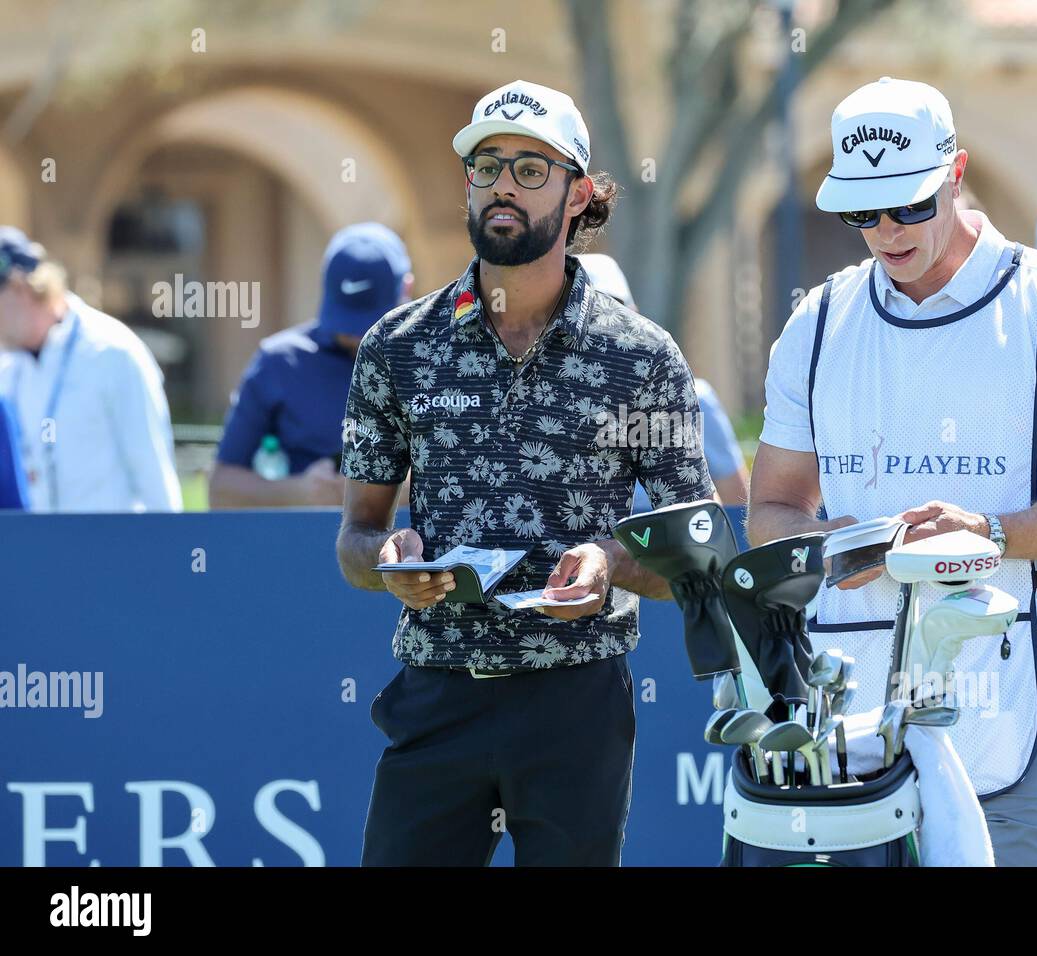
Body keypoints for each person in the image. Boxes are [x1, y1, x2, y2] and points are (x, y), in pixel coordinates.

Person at [748, 77, 1037, 866]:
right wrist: (835, 547)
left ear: (956, 172)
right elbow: (772, 511)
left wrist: (991, 533)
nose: (887, 231)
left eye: (909, 206)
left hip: (1010, 680)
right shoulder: (817, 320)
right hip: (851, 689)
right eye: (862, 212)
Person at [334, 80, 715, 866]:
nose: (503, 183)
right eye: (487, 164)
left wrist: (610, 563)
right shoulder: (396, 346)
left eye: (531, 169)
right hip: (438, 693)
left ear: (579, 195)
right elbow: (356, 536)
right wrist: (388, 565)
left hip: (576, 703)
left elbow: (699, 552)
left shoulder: (641, 356)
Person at [209, 223, 414, 508]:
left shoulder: (443, 360)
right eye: (346, 322)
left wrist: (394, 489)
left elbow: (484, 476)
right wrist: (299, 491)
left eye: (369, 324)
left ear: (407, 288)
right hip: (306, 540)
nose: (357, 336)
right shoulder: (279, 362)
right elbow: (221, 488)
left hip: (416, 548)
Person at [0, 227, 182, 512]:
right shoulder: (9, 368)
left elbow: (156, 485)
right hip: (35, 552)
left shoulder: (114, 353)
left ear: (20, 289)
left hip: (113, 553)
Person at [577, 252, 751, 507]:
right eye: (591, 315)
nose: (605, 328)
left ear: (634, 315)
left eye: (615, 310)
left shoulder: (695, 396)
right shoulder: (549, 401)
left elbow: (737, 503)